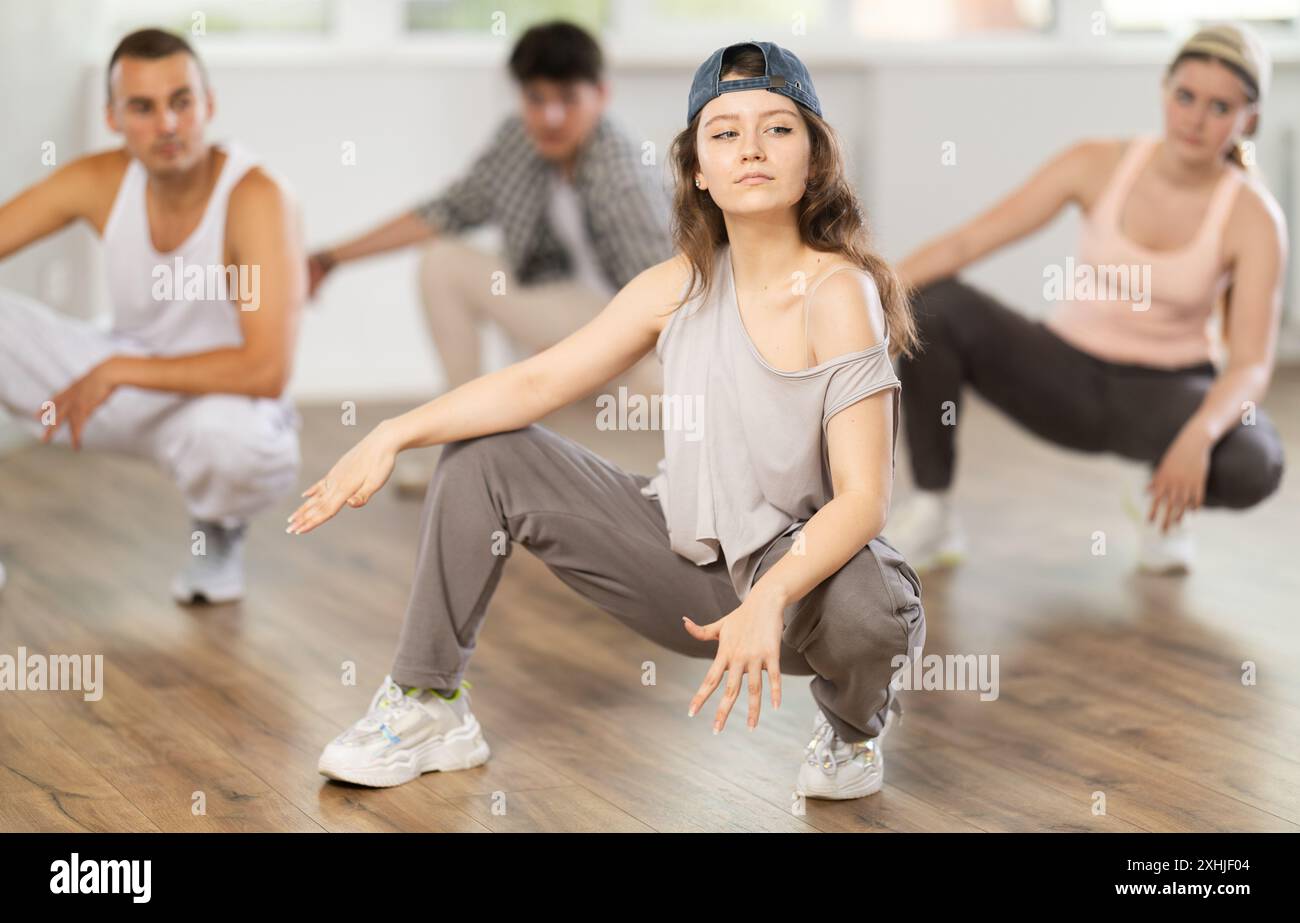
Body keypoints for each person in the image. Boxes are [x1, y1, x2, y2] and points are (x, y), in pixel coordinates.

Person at [289, 41, 925, 801]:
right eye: (725, 133)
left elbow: (865, 499)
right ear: (697, 167)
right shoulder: (675, 285)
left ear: (815, 158)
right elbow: (538, 380)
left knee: (877, 606)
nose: (751, 149)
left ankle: (852, 733)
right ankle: (430, 705)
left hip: (805, 592)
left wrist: (769, 597)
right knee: (482, 457)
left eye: (778, 129)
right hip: (686, 567)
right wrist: (390, 432)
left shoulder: (837, 291)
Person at [890, 22, 1287, 575]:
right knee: (933, 304)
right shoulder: (1097, 162)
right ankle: (934, 509)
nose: (1196, 119)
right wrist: (869, 297)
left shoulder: (1255, 218)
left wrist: (1195, 439)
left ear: (1249, 120)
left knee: (1255, 462)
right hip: (1064, 376)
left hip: (1165, 396)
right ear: (1165, 91)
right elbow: (969, 241)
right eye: (1186, 96)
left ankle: (1160, 500)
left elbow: (1249, 363)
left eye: (1220, 108)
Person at [0, 28, 304, 603]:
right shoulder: (99, 180)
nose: (167, 124)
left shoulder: (258, 196)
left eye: (181, 102)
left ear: (207, 105)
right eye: (143, 107)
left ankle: (218, 529)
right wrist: (115, 368)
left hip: (225, 406)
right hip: (121, 390)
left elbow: (266, 370)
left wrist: (116, 371)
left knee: (228, 439)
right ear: (113, 118)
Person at [306, 20, 673, 494]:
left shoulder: (621, 170)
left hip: (632, 339)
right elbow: (446, 211)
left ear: (601, 95)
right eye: (536, 100)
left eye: (567, 100)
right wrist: (329, 259)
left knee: (662, 399)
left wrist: (591, 357)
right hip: (558, 317)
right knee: (443, 260)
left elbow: (668, 296)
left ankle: (513, 448)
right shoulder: (520, 143)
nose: (551, 117)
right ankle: (463, 441)